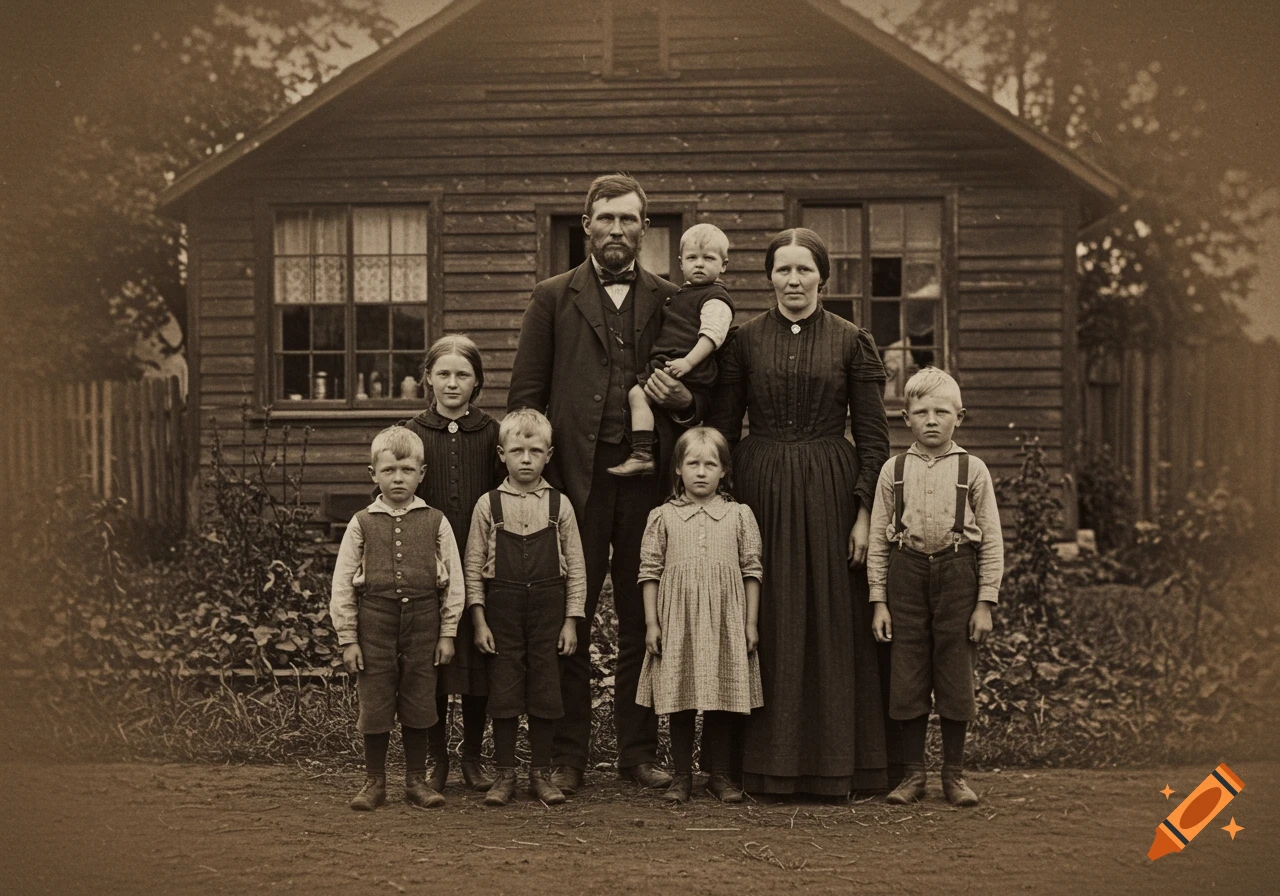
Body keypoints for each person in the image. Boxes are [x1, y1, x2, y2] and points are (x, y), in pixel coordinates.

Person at [508, 173, 712, 794]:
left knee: (643, 617)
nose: (617, 230)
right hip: (573, 487)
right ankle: (568, 754)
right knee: (569, 615)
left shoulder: (674, 298)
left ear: (644, 228)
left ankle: (637, 751)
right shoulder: (551, 297)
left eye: (628, 219)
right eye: (605, 219)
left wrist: (681, 404)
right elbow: (526, 397)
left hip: (650, 490)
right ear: (587, 225)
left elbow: (696, 398)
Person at [708, 227, 893, 797]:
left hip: (830, 492)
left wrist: (864, 513)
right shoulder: (743, 341)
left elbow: (873, 437)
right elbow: (722, 426)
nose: (793, 280)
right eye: (783, 270)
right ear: (769, 277)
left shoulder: (850, 340)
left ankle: (842, 765)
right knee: (765, 615)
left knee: (831, 620)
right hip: (759, 488)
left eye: (804, 270)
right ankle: (756, 767)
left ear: (823, 277)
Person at [868, 367, 1004, 807]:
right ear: (905, 417)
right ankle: (913, 775)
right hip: (906, 575)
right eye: (921, 411)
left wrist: (985, 602)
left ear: (959, 417)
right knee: (906, 675)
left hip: (958, 573)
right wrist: (878, 601)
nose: (931, 420)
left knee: (954, 674)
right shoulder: (894, 469)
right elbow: (876, 541)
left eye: (941, 412)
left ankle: (954, 774)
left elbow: (992, 540)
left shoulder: (974, 469)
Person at [330, 426, 465, 811]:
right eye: (388, 471)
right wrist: (348, 637)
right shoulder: (361, 522)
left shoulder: (436, 521)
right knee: (374, 699)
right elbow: (342, 582)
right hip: (375, 620)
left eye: (406, 470)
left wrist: (448, 632)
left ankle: (416, 781)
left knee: (420, 698)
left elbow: (453, 582)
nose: (398, 478)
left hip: (424, 621)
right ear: (373, 473)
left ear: (421, 473)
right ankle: (374, 782)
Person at [464, 409, 587, 806]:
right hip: (502, 609)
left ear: (549, 455)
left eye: (536, 451)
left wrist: (571, 621)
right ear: (502, 454)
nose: (526, 459)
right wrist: (479, 619)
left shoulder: (559, 505)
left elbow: (578, 571)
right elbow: (472, 567)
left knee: (546, 690)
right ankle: (504, 774)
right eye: (517, 450)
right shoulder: (488, 504)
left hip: (549, 611)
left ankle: (540, 774)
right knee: (504, 689)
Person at [637, 427, 763, 804]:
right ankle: (680, 776)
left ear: (724, 470)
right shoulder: (662, 517)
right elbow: (649, 572)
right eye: (692, 463)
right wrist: (652, 623)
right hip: (679, 620)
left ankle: (719, 775)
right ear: (678, 468)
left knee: (722, 695)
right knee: (681, 696)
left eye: (711, 464)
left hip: (726, 617)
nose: (701, 472)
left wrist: (750, 622)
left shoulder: (739, 515)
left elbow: (752, 570)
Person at [402, 334, 502, 794]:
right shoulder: (411, 434)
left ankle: (474, 756)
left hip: (483, 566)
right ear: (427, 378)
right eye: (443, 373)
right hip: (432, 568)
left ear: (477, 381)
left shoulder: (493, 434)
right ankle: (436, 757)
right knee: (435, 664)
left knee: (480, 663)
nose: (452, 383)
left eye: (463, 375)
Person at [608, 224, 735, 477]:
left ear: (723, 264)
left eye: (708, 258)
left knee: (637, 395)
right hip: (672, 362)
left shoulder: (715, 299)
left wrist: (687, 363)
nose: (699, 264)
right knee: (639, 395)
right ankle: (642, 453)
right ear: (680, 263)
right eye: (692, 258)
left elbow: (712, 336)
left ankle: (642, 454)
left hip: (689, 367)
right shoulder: (681, 294)